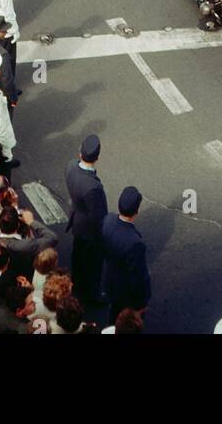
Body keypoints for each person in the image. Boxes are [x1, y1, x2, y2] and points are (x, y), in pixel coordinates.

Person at [65, 134, 108, 306]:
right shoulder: (93, 187)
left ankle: (76, 284)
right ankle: (92, 294)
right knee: (93, 265)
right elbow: (98, 217)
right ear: (97, 157)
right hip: (90, 232)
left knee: (78, 257)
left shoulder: (71, 166)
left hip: (77, 220)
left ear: (79, 153)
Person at [101, 186, 150, 323]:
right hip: (125, 293)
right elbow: (138, 278)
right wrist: (141, 303)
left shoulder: (108, 221)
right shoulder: (135, 243)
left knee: (113, 315)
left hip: (111, 282)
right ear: (136, 211)